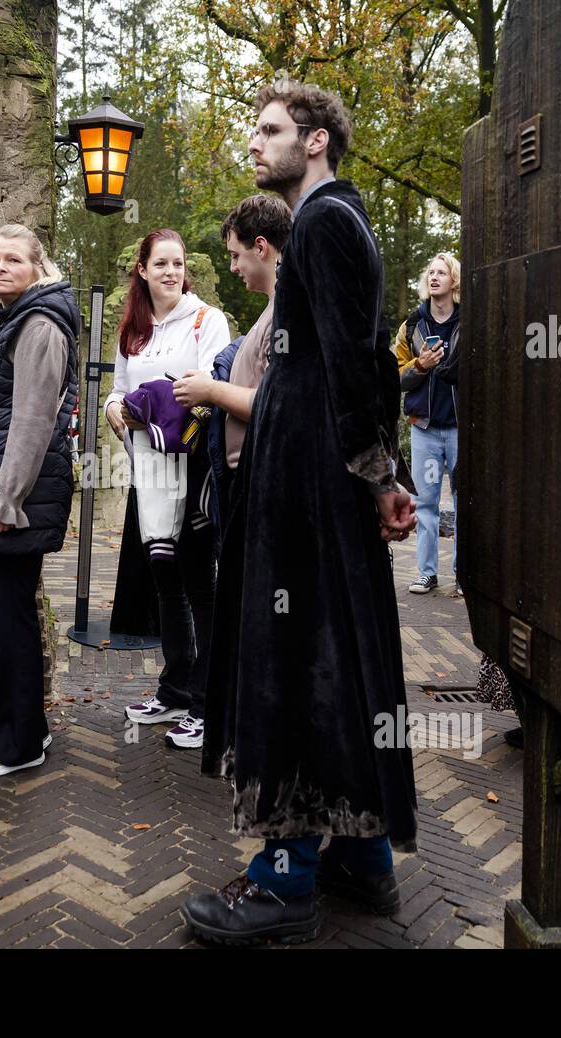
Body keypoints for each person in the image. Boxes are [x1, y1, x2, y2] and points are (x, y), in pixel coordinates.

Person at [180, 80, 418, 945]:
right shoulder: (333, 224)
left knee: (298, 656)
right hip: (311, 476)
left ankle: (285, 877)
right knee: (332, 652)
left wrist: (377, 474)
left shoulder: (321, 223)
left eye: (273, 130)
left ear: (316, 142)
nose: (257, 142)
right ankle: (362, 858)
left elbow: (362, 364)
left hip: (311, 488)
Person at [0, 224, 79, 777]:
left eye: (12, 261)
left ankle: (17, 742)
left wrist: (8, 501)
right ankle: (20, 726)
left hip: (11, 500)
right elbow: (1, 345)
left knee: (6, 619)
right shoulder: (18, 317)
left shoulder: (43, 324)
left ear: (37, 268)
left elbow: (32, 419)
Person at [105, 230, 230, 750]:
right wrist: (118, 411)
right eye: (161, 263)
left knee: (200, 582)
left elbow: (214, 391)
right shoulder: (131, 329)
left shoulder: (206, 320)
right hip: (150, 472)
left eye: (178, 263)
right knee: (165, 580)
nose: (171, 272)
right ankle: (176, 686)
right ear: (142, 269)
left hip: (195, 470)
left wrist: (163, 404)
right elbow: (117, 392)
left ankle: (208, 703)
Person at [176, 194, 290, 546]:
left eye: (234, 256)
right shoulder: (272, 311)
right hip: (248, 482)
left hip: (266, 484)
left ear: (260, 247)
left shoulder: (287, 314)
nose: (232, 267)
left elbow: (275, 406)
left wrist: (210, 391)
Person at [396, 253, 461, 596]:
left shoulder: (468, 322)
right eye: (431, 272)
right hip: (424, 428)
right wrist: (420, 366)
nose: (435, 277)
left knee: (466, 503)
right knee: (426, 503)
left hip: (461, 427)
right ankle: (426, 573)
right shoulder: (412, 326)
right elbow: (395, 377)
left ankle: (462, 575)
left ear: (454, 281)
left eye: (442, 272)